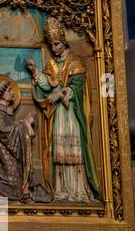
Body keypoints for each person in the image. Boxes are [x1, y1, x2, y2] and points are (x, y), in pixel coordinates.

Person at [26, 17, 99, 204]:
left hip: (71, 114)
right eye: (51, 45)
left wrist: (60, 95)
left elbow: (78, 87)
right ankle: (61, 189)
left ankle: (78, 191)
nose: (54, 48)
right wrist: (36, 72)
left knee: (74, 153)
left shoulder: (75, 61)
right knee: (59, 153)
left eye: (57, 44)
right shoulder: (52, 63)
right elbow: (47, 85)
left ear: (64, 42)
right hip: (58, 116)